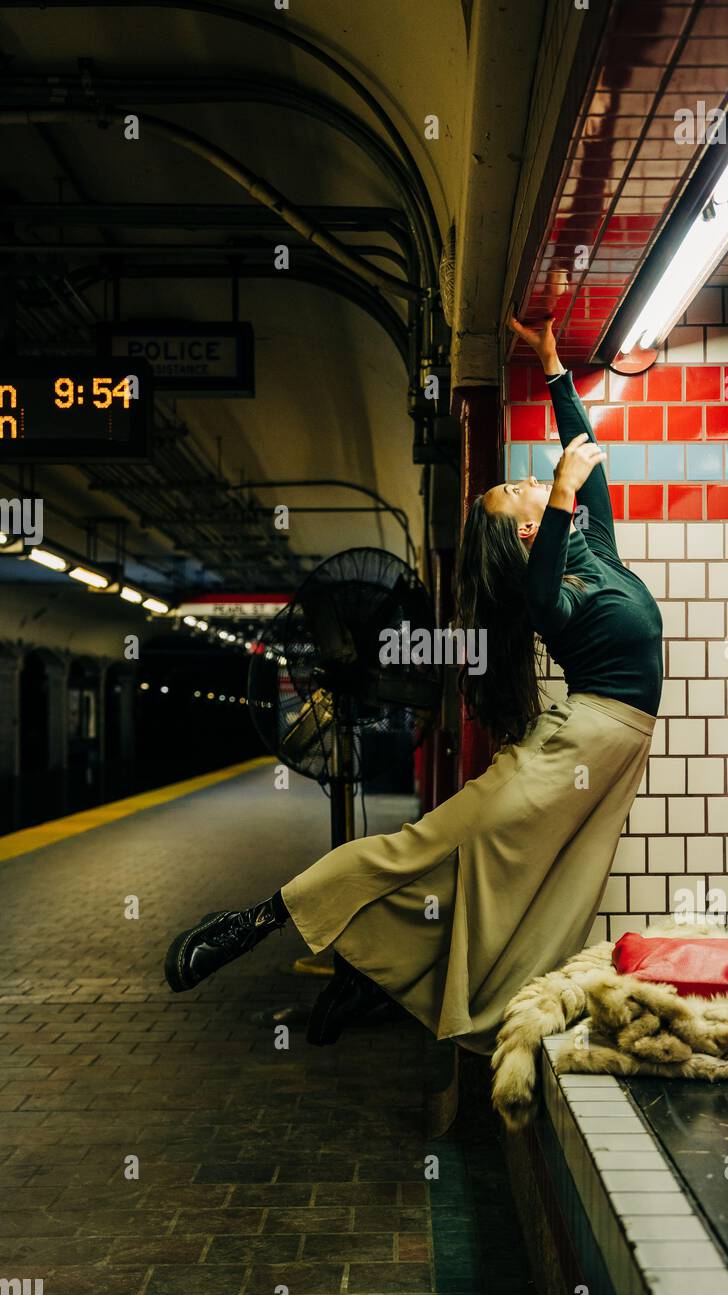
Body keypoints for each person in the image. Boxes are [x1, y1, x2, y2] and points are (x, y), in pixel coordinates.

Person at [163, 316, 663, 1051]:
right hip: (576, 749)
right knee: (421, 845)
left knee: (510, 885)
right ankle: (257, 920)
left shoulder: (600, 557)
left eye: (526, 484)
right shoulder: (548, 599)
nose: (528, 483)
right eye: (516, 493)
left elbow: (588, 463)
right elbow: (550, 547)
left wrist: (556, 370)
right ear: (530, 533)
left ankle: (370, 977)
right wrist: (556, 491)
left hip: (605, 753)